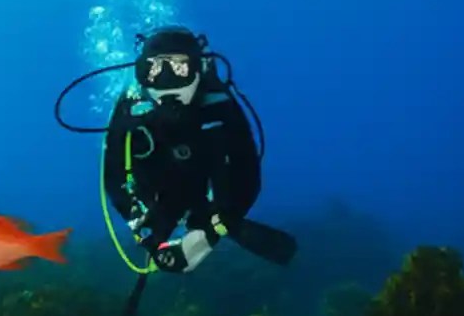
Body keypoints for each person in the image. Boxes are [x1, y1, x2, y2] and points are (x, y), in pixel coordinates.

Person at [55, 25, 296, 273]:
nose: (167, 80)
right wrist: (143, 230)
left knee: (214, 215)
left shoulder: (218, 105)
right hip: (158, 196)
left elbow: (247, 173)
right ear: (142, 73)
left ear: (197, 69)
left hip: (209, 191)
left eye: (180, 67)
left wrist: (215, 229)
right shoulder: (131, 109)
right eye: (155, 69)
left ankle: (209, 220)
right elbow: (114, 178)